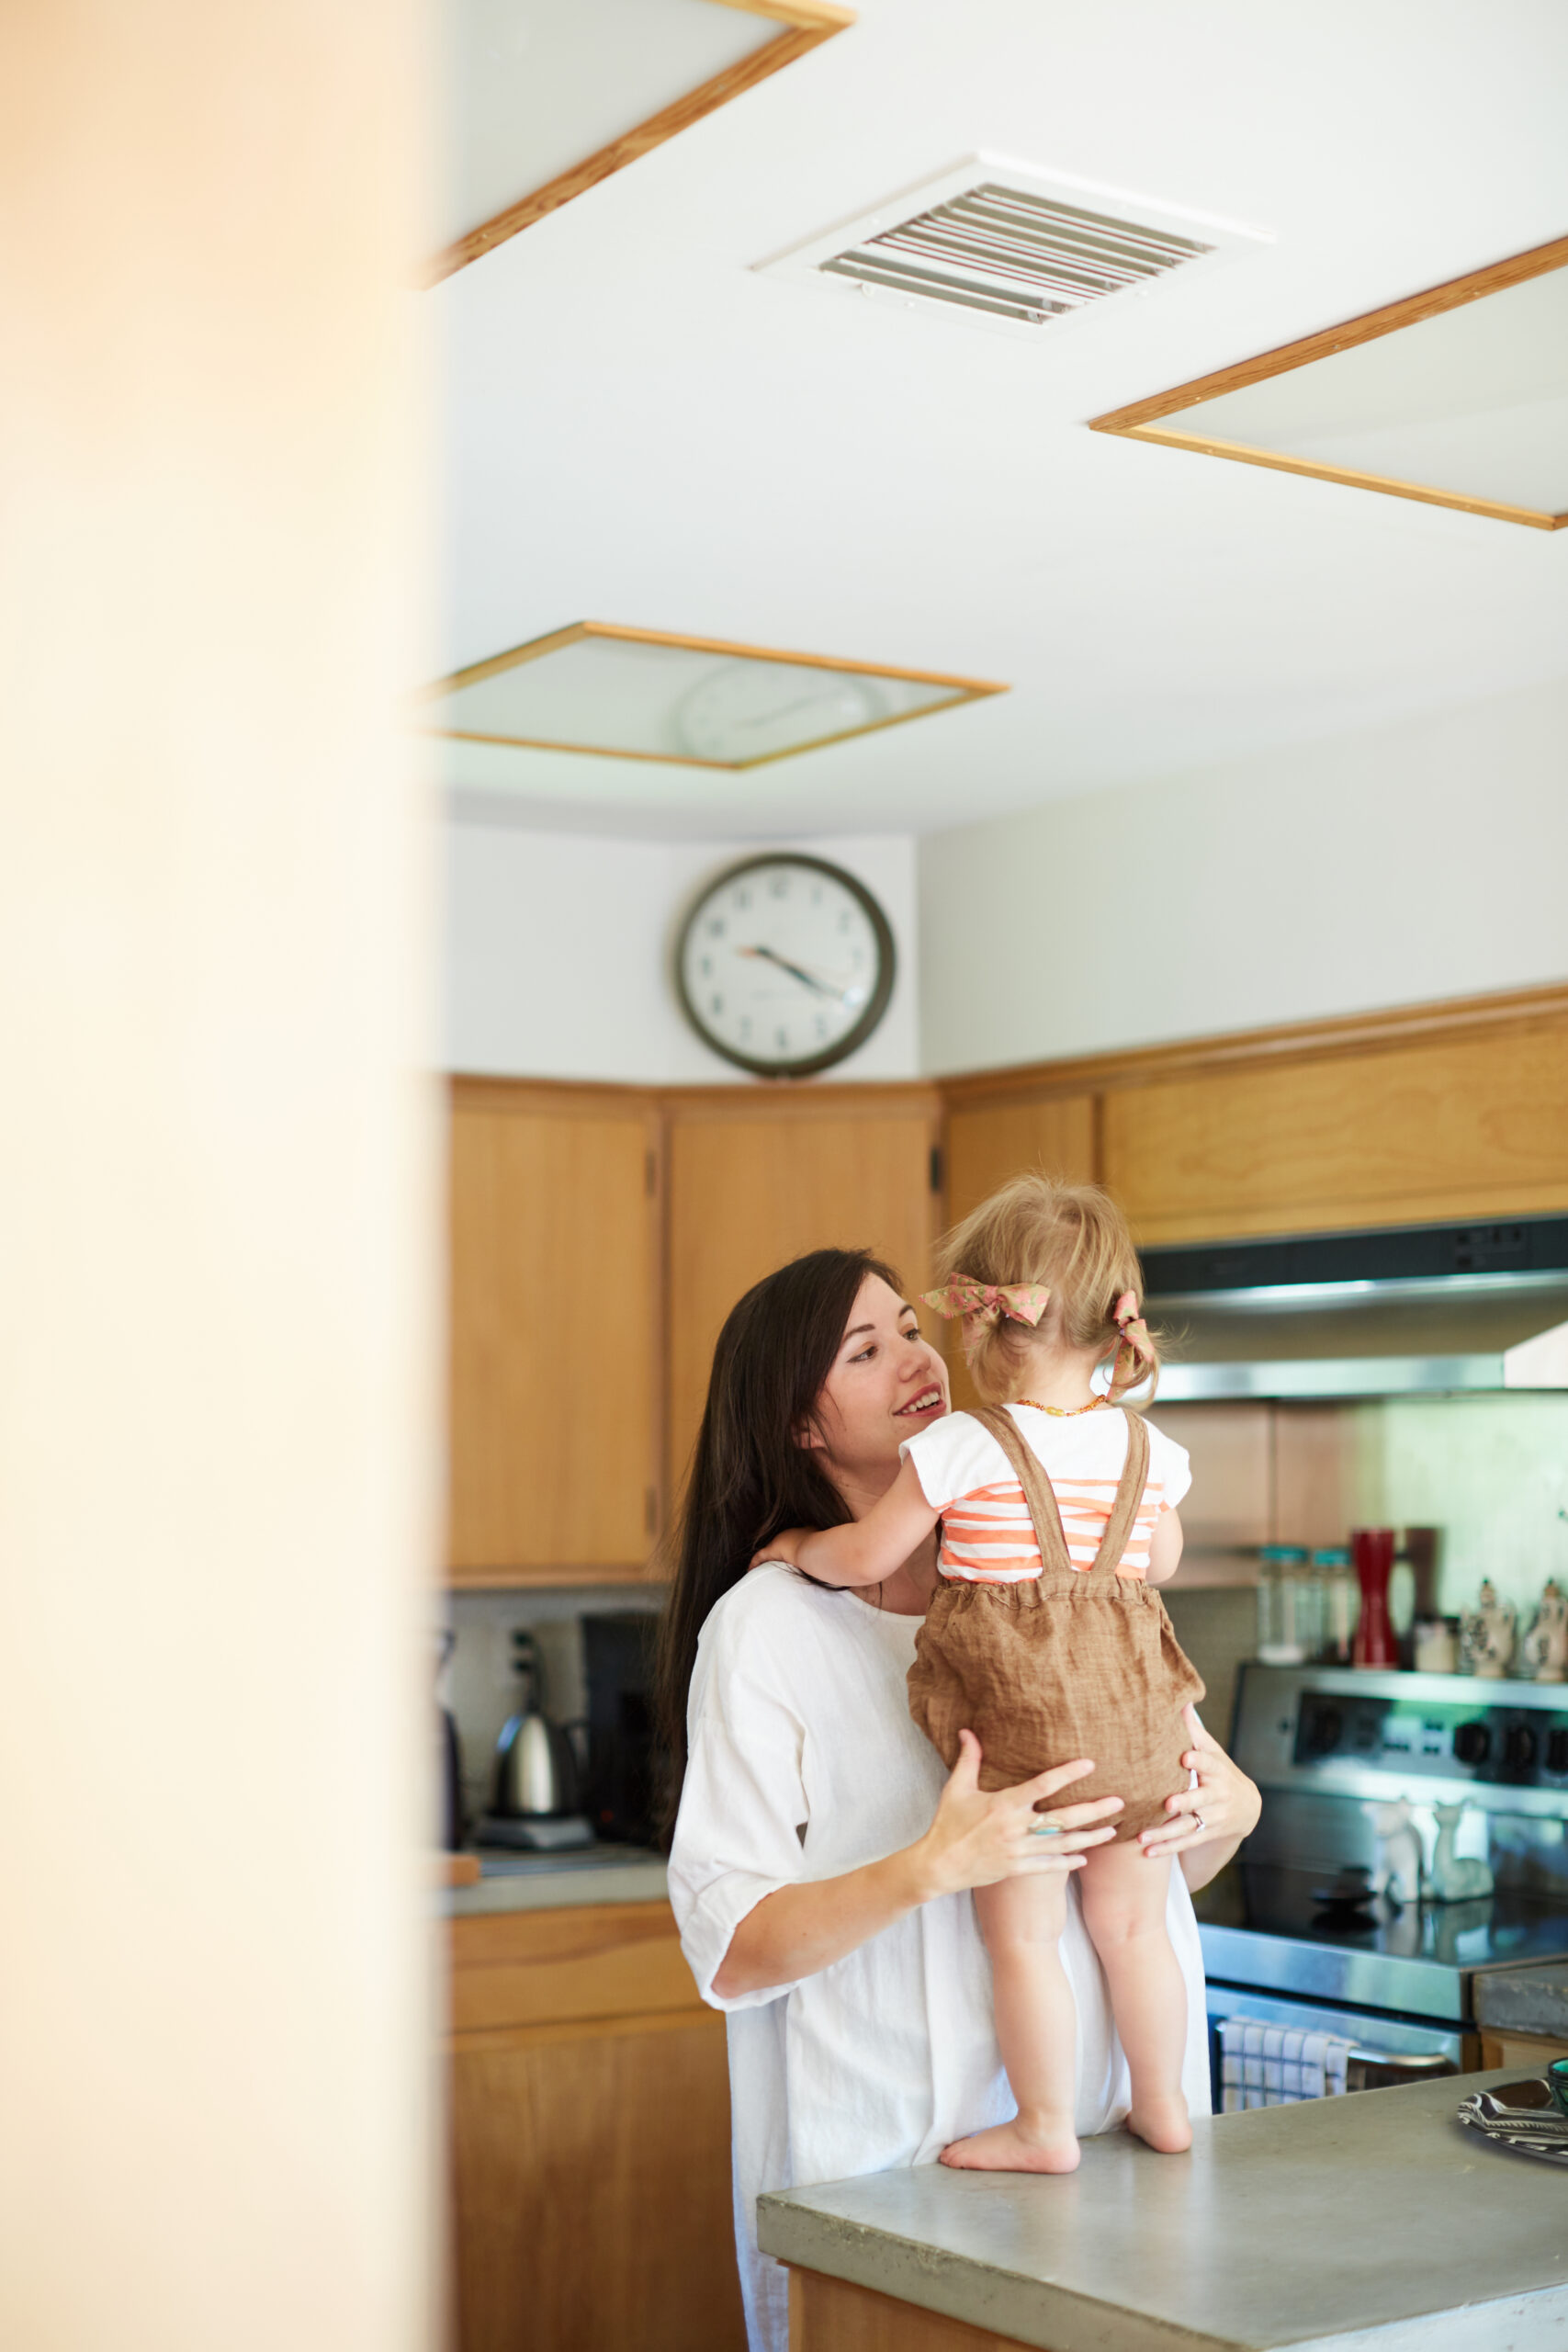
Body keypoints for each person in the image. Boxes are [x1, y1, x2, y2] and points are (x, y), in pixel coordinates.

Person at [657, 1246, 1261, 2352]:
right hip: (898, 2178)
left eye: (911, 1328)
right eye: (864, 1350)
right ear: (799, 1424)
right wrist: (927, 1867)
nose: (914, 1359)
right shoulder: (768, 1628)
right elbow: (732, 1951)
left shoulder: (1070, 1568)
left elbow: (1156, 1863)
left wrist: (1233, 1811)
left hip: (1122, 2165)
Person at [753, 1179, 1203, 2176]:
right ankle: (1164, 2104)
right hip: (1139, 1730)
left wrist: (793, 1548)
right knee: (1135, 1928)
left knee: (1025, 1942)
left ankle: (1043, 2126)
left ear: (985, 1326)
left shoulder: (962, 1447)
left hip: (1027, 1740)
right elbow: (1160, 1559)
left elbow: (866, 1556)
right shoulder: (1146, 1446)